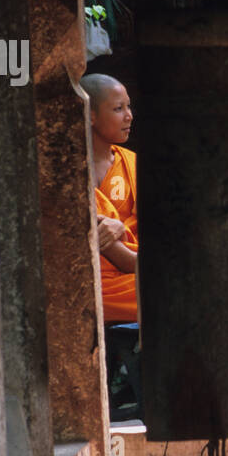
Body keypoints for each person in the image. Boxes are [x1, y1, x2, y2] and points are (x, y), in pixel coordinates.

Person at [82, 73, 138, 322]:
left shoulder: (131, 162)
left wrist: (120, 230)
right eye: (118, 108)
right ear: (89, 115)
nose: (129, 116)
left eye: (128, 106)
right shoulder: (66, 169)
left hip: (135, 271)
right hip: (92, 283)